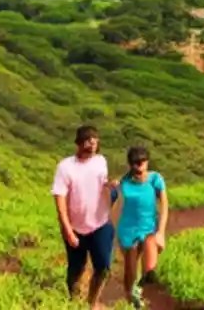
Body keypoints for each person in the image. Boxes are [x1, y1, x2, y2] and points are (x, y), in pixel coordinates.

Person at [51, 125, 114, 309]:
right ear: (79, 143)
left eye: (95, 141)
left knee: (103, 267)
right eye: (88, 141)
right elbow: (60, 200)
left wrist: (110, 186)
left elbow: (101, 183)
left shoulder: (101, 161)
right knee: (76, 269)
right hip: (76, 227)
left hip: (100, 224)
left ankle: (92, 303)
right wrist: (68, 229)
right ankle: (74, 301)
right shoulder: (65, 167)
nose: (92, 145)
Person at [111, 146, 168, 309]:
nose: (138, 166)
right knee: (130, 270)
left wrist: (161, 233)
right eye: (134, 163)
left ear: (147, 162)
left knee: (150, 271)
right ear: (130, 165)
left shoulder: (155, 179)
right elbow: (114, 201)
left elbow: (164, 206)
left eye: (141, 162)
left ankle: (144, 297)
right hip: (128, 230)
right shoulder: (124, 182)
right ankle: (131, 300)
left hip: (148, 229)